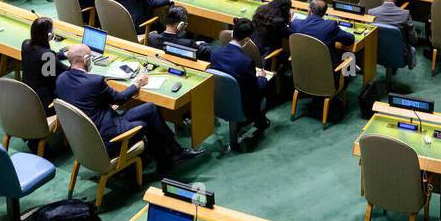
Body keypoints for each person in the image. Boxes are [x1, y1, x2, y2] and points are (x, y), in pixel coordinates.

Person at [54, 45, 203, 173]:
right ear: (87, 59)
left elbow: (82, 102)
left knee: (150, 108)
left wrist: (105, 105)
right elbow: (119, 98)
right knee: (145, 123)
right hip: (107, 138)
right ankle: (168, 158)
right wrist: (137, 84)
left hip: (86, 137)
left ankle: (170, 155)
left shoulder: (61, 79)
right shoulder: (95, 82)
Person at [208, 18, 271, 131]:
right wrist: (262, 77)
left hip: (217, 101)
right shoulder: (246, 62)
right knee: (263, 89)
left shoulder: (215, 53)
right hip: (241, 106)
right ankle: (260, 123)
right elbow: (255, 89)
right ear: (247, 39)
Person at [21, 16, 67, 112]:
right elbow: (63, 73)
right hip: (45, 102)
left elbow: (41, 56)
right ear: (49, 35)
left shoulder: (25, 44)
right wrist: (77, 59)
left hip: (27, 95)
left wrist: (64, 54)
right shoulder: (47, 55)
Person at [370, 0, 415, 65]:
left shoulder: (371, 13)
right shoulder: (405, 14)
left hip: (376, 53)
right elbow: (413, 39)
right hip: (400, 54)